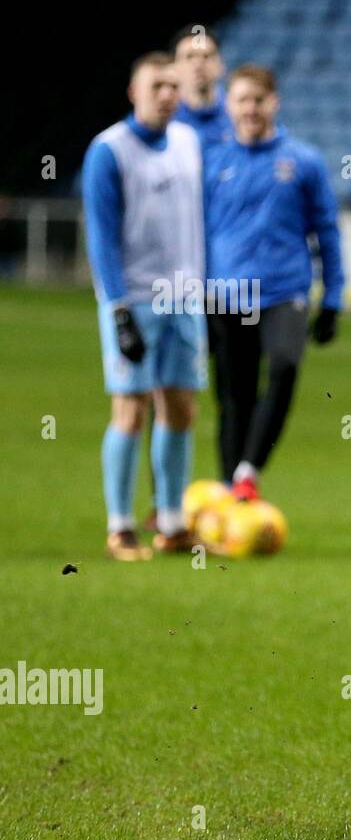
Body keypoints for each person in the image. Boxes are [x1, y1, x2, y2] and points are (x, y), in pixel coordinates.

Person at [83, 52, 206, 561]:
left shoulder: (188, 141)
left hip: (185, 299)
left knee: (180, 408)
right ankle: (120, 527)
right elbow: (102, 237)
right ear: (133, 92)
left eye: (174, 86)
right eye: (157, 85)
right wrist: (116, 308)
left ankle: (173, 523)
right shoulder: (108, 150)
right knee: (130, 409)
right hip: (133, 298)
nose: (167, 95)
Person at [204, 63, 345, 499]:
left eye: (258, 100)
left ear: (274, 103)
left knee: (284, 367)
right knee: (234, 396)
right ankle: (232, 490)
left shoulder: (302, 161)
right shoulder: (213, 161)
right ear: (229, 104)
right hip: (225, 294)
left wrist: (333, 296)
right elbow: (199, 232)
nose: (250, 108)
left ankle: (249, 470)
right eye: (242, 99)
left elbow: (327, 230)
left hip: (285, 291)